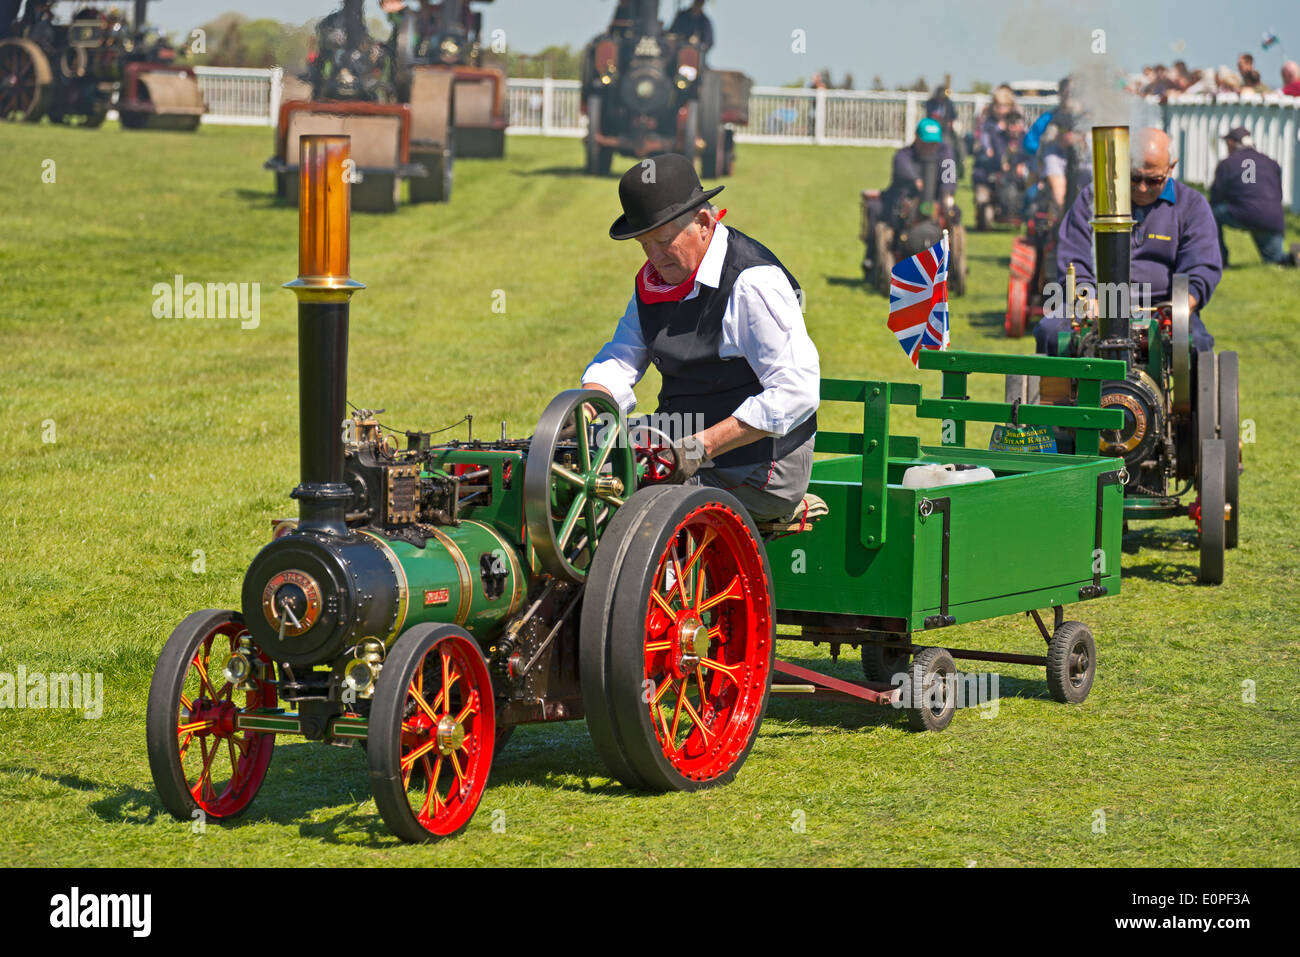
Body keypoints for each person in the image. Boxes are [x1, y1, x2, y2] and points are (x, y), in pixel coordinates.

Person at [581, 154, 820, 521]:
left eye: (663, 241)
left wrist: (700, 447)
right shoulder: (656, 282)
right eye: (644, 244)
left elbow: (796, 390)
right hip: (681, 438)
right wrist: (590, 401)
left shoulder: (751, 282)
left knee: (634, 502)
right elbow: (622, 356)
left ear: (704, 222)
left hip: (764, 466)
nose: (654, 257)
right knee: (579, 460)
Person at [1040, 128, 1222, 354]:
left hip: (1162, 309)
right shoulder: (1091, 199)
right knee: (1051, 331)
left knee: (1197, 345)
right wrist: (1089, 302)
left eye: (1153, 180)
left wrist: (1181, 306)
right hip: (1099, 303)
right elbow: (1074, 259)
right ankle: (1060, 389)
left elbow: (1202, 266)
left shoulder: (1192, 205)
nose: (1142, 188)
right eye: (1134, 177)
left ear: (1171, 168)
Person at [862, 118, 956, 271]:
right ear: (916, 138)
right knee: (876, 210)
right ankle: (871, 257)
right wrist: (915, 180)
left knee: (953, 215)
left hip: (935, 201)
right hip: (905, 201)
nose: (929, 146)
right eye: (926, 142)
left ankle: (949, 259)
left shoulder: (945, 154)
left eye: (933, 143)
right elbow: (902, 169)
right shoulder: (904, 155)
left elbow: (950, 178)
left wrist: (946, 195)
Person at [1210, 127, 1297, 267]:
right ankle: (1294, 257)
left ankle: (1221, 260)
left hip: (1243, 212)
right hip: (1272, 216)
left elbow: (1215, 198)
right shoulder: (1271, 162)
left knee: (1210, 213)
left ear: (1231, 143)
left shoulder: (1227, 164)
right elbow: (1278, 194)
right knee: (1275, 259)